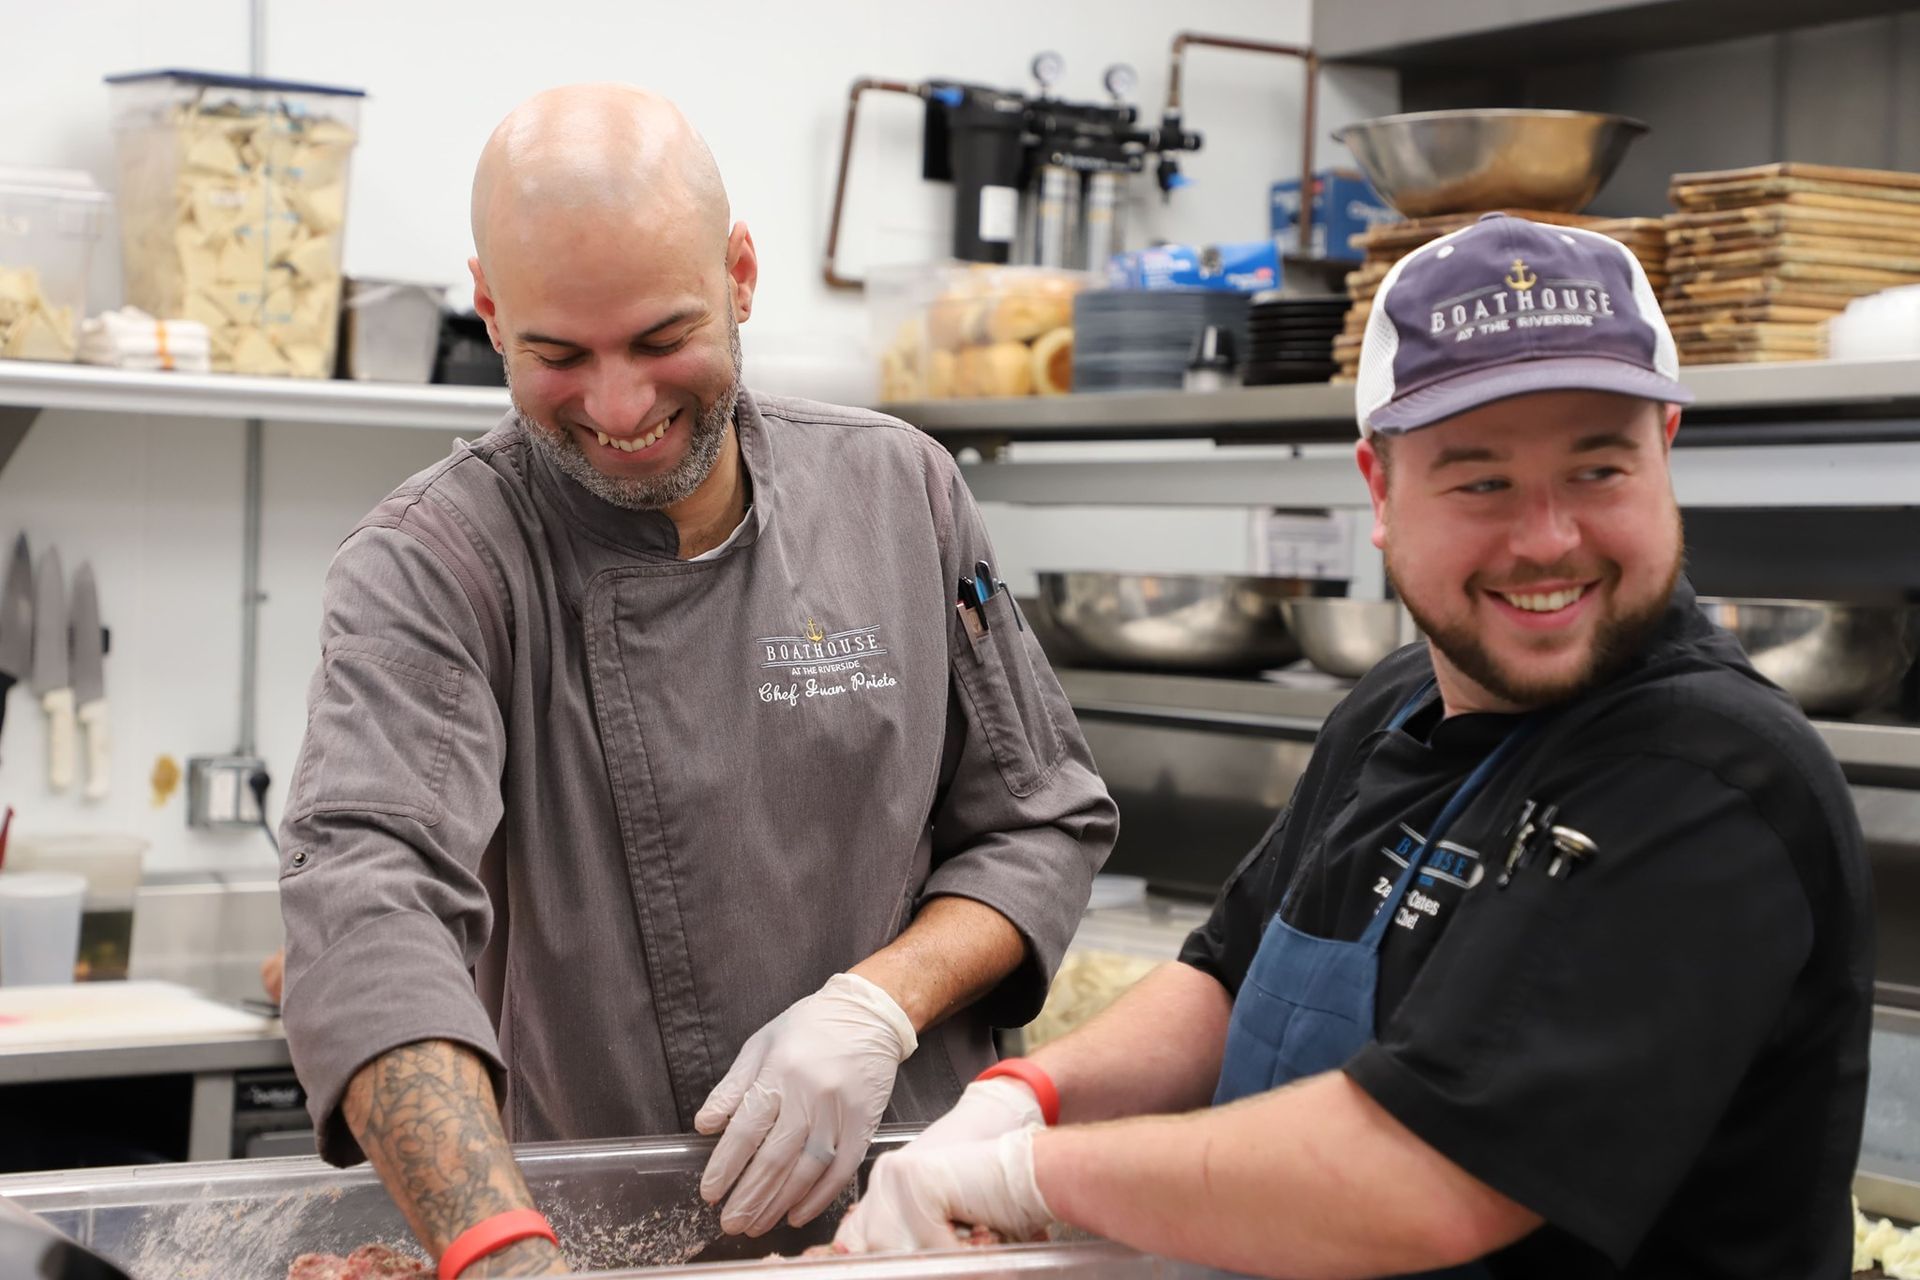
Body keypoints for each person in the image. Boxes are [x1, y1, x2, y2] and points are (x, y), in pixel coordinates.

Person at [834, 213, 1873, 1279]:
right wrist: (1025, 1096)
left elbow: (1420, 1177)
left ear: (1666, 453)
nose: (1548, 537)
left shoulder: (1708, 774)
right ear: (1380, 489)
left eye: (1600, 469)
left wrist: (1032, 1176)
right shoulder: (1393, 704)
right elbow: (1226, 978)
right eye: (1481, 481)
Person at [275, 83, 1115, 1277]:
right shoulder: (435, 564)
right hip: (592, 1245)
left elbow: (1041, 821)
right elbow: (369, 900)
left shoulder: (899, 495)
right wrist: (501, 1255)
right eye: (556, 354)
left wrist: (880, 1002)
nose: (619, 407)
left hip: (917, 1233)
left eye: (663, 339)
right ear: (491, 311)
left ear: (741, 275)